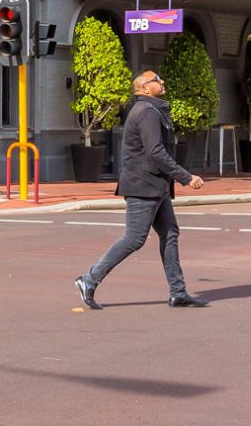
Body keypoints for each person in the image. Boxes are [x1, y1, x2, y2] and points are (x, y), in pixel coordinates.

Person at [74, 70, 206, 310]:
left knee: (170, 233)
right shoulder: (146, 112)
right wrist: (185, 177)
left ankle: (178, 292)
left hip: (156, 185)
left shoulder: (152, 109)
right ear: (145, 88)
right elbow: (155, 152)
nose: (162, 81)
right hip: (143, 186)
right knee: (134, 238)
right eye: (157, 79)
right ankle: (89, 279)